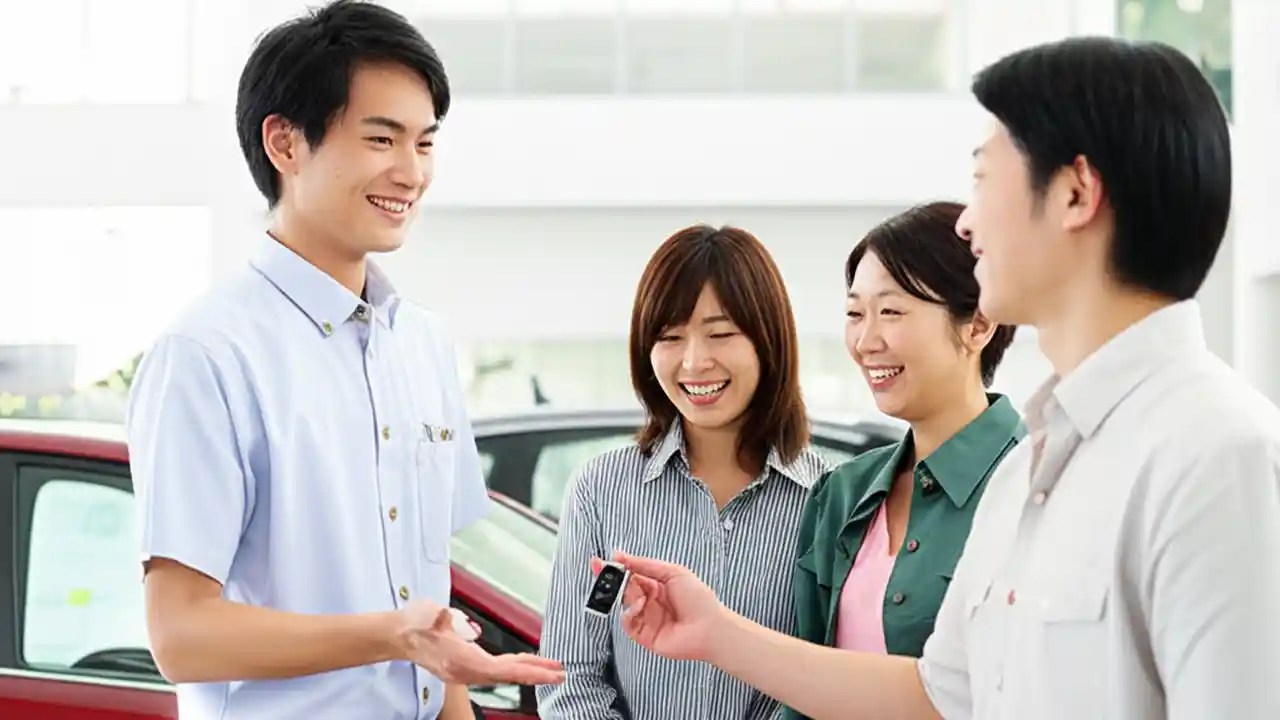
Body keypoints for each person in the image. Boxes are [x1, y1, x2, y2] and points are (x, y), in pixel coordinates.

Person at [601, 36, 1280, 720]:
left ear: (1076, 193)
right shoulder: (1033, 474)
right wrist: (718, 636)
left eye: (984, 181)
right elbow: (940, 694)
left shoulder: (1223, 455)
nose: (967, 222)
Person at [125, 2, 562, 719]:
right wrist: (393, 637)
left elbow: (432, 611)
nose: (410, 172)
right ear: (286, 144)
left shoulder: (422, 343)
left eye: (425, 143)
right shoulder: (206, 355)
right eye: (381, 138)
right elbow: (183, 635)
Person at [536, 225, 831, 719]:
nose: (695, 362)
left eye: (720, 334)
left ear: (769, 341)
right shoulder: (602, 490)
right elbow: (571, 675)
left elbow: (828, 680)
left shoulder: (827, 499)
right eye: (670, 337)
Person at [782, 201, 1021, 719]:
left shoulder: (1033, 485)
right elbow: (803, 687)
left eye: (891, 311)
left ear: (978, 325)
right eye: (854, 314)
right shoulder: (841, 494)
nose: (867, 341)